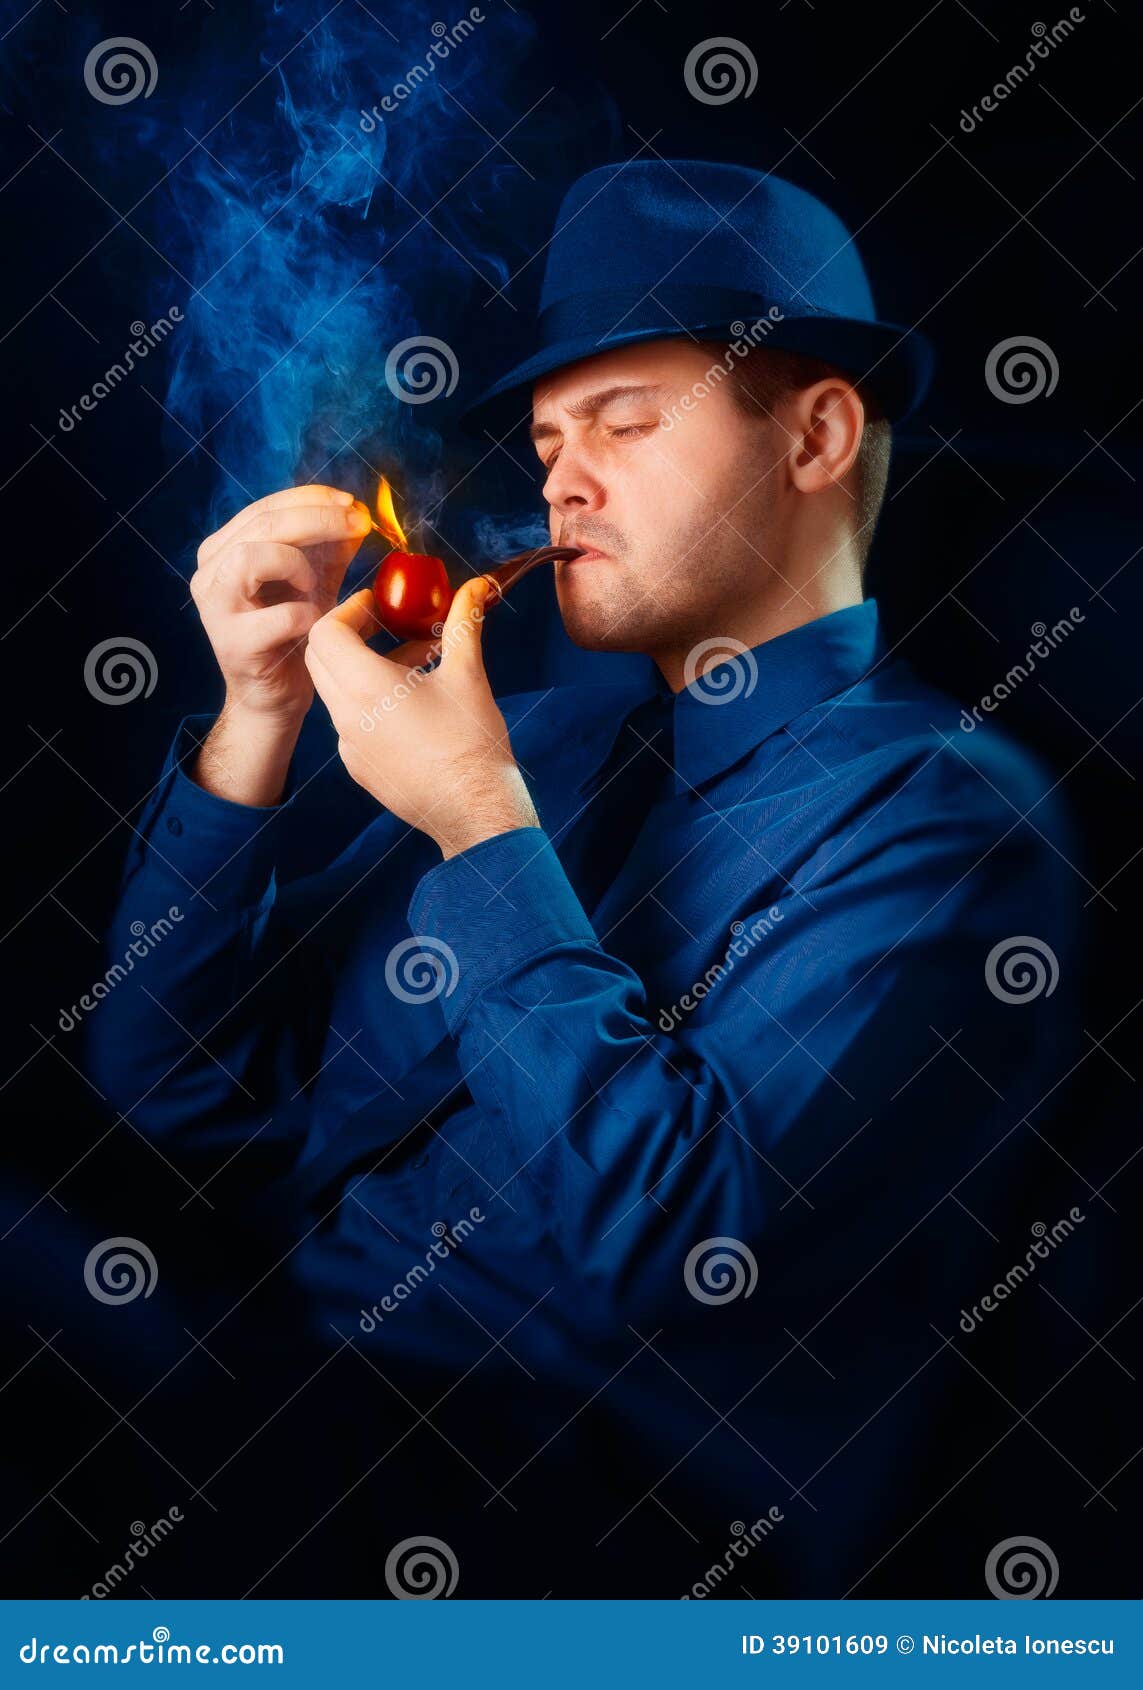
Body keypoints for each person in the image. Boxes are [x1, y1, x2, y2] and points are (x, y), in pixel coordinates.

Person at [86, 163, 1086, 1596]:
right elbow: (175, 1082)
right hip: (285, 1402)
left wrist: (480, 826)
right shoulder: (545, 743)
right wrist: (260, 715)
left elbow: (673, 1248)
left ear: (815, 435)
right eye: (551, 437)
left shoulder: (952, 819)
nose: (560, 476)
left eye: (623, 420)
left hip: (581, 1523)